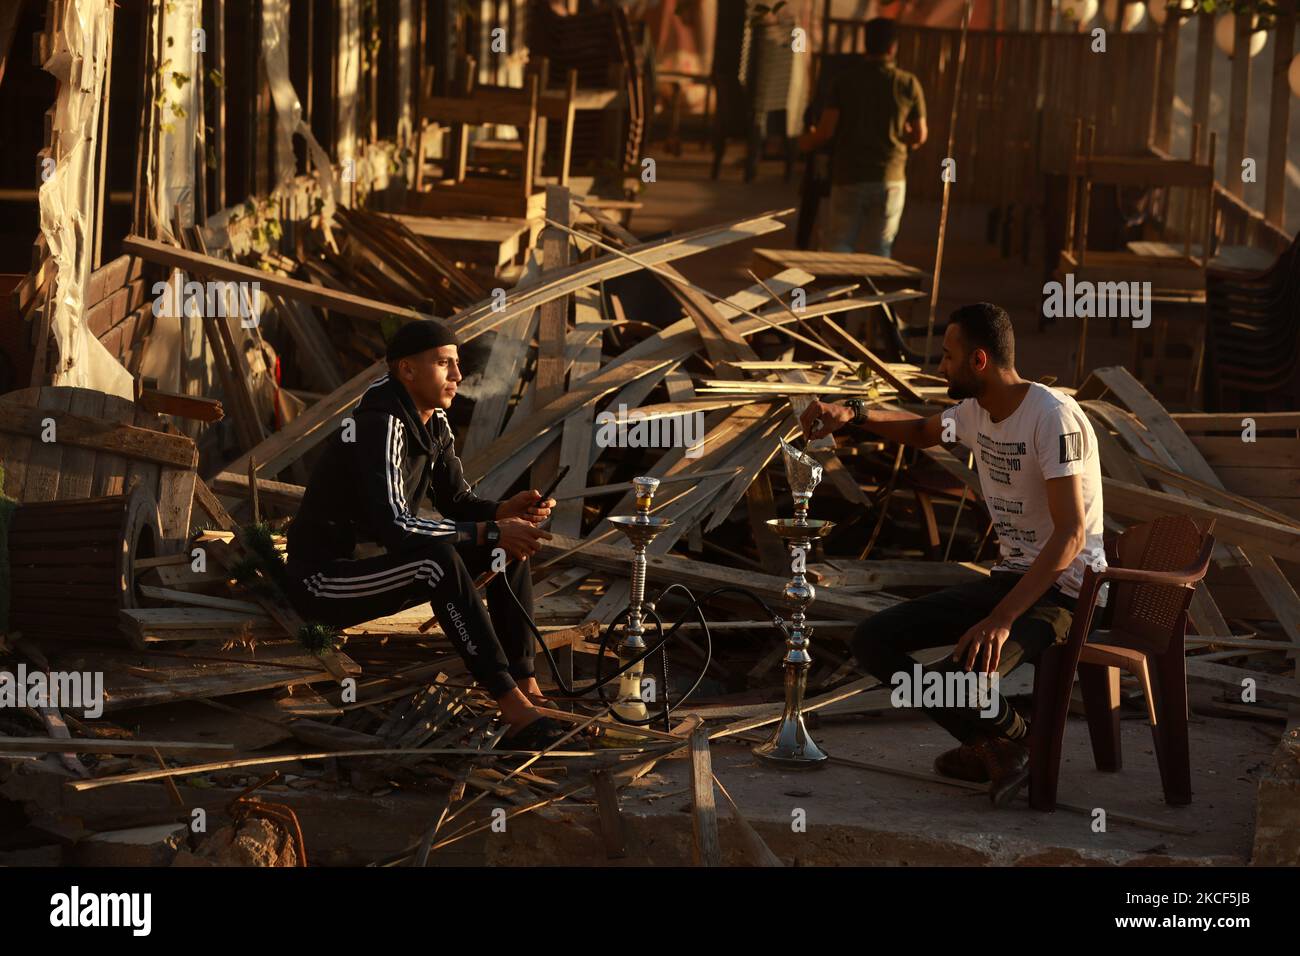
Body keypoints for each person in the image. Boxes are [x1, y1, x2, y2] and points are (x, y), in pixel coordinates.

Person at [800, 303, 1106, 804]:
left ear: (979, 360)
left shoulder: (1052, 418)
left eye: (947, 356)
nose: (941, 367)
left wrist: (1002, 619)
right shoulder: (975, 412)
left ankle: (1001, 742)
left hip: (1068, 590)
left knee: (954, 677)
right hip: (1010, 577)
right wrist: (853, 415)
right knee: (873, 638)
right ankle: (1003, 742)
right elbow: (922, 432)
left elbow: (1071, 535)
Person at [284, 319, 566, 749]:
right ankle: (509, 704)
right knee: (440, 563)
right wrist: (491, 530)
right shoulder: (382, 424)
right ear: (407, 370)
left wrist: (504, 513)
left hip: (379, 570)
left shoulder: (433, 422)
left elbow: (456, 501)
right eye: (444, 364)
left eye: (457, 364)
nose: (457, 375)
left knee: (508, 548)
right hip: (327, 583)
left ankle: (527, 685)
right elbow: (397, 526)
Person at [798, 16, 926, 257]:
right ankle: (874, 296)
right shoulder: (908, 84)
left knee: (838, 244)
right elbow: (920, 136)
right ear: (893, 47)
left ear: (865, 46)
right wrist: (903, 136)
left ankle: (837, 295)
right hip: (890, 177)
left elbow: (826, 131)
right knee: (879, 249)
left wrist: (804, 141)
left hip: (848, 175)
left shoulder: (844, 82)